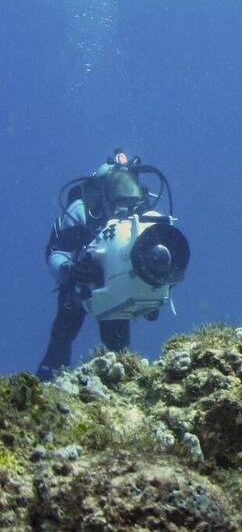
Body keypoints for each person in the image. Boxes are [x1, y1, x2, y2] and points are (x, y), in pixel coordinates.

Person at [36, 150, 150, 380]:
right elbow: (56, 251)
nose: (125, 194)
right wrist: (69, 270)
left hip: (116, 284)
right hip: (80, 283)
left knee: (117, 351)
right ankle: (49, 380)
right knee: (62, 337)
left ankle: (118, 388)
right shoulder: (82, 209)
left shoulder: (139, 213)